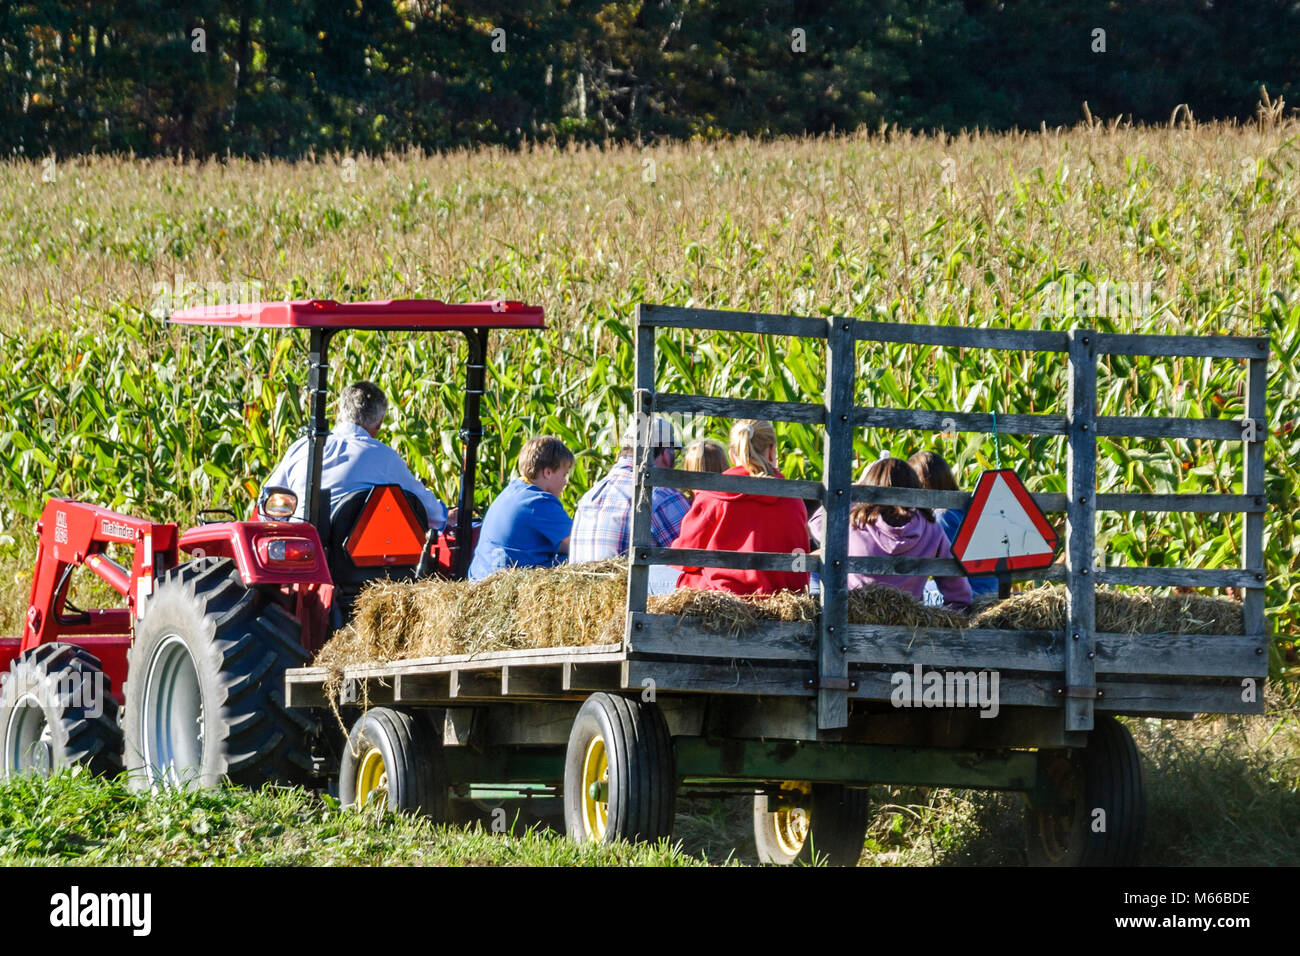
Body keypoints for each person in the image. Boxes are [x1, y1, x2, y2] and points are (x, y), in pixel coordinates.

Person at [261, 380, 448, 529]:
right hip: (366, 565)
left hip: (304, 555)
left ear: (340, 413)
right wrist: (446, 514)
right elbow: (432, 514)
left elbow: (266, 508)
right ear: (380, 423)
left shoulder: (302, 448)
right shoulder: (385, 457)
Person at [808, 457, 971, 609]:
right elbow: (959, 594)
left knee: (817, 563)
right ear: (914, 488)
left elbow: (816, 524)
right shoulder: (931, 527)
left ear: (869, 487)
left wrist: (856, 488)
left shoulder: (854, 524)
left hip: (854, 619)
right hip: (909, 626)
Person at [670, 420, 810, 595]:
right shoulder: (793, 500)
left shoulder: (711, 496)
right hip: (779, 597)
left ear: (732, 454)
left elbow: (683, 558)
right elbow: (799, 566)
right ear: (772, 450)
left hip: (721, 597)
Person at [569, 417, 689, 563]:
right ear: (665, 452)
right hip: (634, 586)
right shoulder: (661, 496)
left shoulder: (589, 497)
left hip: (589, 585)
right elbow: (691, 560)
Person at [468, 435, 574, 580]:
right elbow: (579, 542)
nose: (565, 482)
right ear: (548, 472)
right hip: (508, 582)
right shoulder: (538, 502)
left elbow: (561, 544)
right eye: (564, 475)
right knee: (578, 566)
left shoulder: (512, 491)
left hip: (481, 578)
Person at [909, 449, 999, 601]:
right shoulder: (965, 509)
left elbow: (950, 577)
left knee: (906, 593)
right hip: (990, 589)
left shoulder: (942, 517)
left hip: (973, 594)